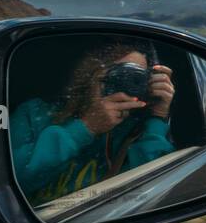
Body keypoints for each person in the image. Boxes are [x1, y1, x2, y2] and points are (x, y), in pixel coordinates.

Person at [11, 42, 176, 206]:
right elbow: (11, 182)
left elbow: (147, 193)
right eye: (121, 73)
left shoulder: (133, 135)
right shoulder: (34, 113)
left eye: (139, 78)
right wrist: (86, 127)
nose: (129, 84)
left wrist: (158, 116)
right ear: (91, 74)